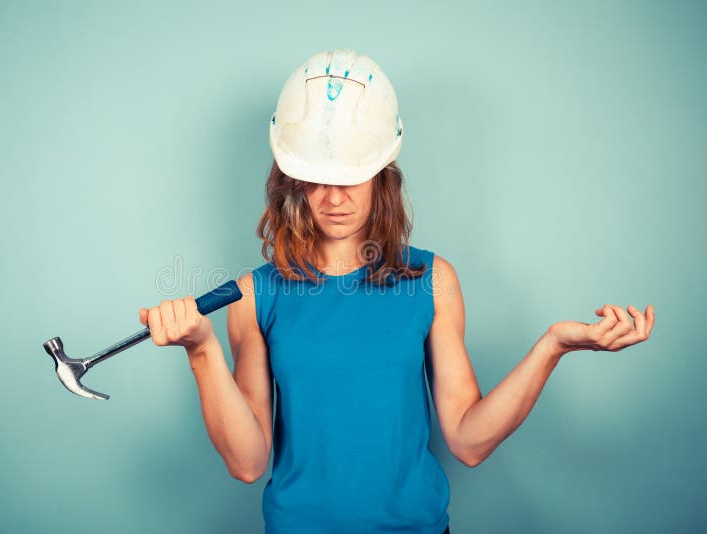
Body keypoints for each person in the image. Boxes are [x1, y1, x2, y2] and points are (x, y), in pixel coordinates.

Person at [139, 49, 655, 534]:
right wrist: (202, 351)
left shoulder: (432, 281)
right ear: (291, 179)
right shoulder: (255, 295)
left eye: (353, 176)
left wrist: (553, 346)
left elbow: (469, 442)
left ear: (383, 175)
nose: (334, 198)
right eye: (316, 178)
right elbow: (247, 463)